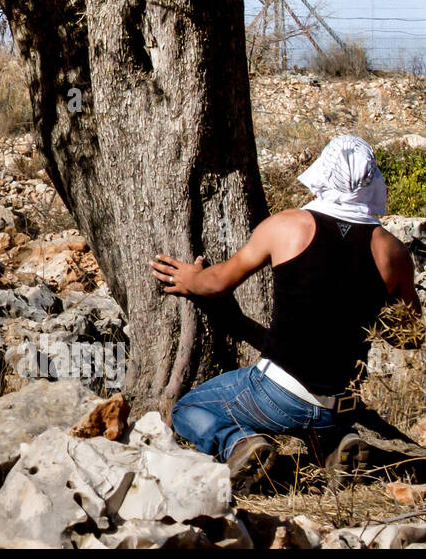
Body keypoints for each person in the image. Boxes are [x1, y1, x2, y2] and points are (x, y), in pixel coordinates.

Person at [151, 134, 420, 492]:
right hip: (340, 403)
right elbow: (411, 336)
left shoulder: (288, 226)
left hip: (276, 394)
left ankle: (240, 444)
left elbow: (218, 282)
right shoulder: (394, 253)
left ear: (324, 173)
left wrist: (190, 279)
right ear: (372, 182)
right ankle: (334, 444)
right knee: (325, 414)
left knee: (188, 409)